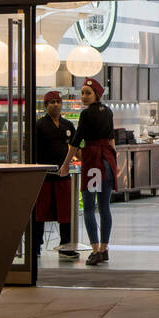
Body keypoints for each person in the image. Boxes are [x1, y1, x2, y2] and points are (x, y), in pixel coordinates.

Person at [58, 76, 117, 266]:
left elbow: (76, 141)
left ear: (97, 94)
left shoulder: (86, 115)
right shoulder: (108, 112)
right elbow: (111, 139)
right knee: (105, 207)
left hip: (93, 162)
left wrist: (66, 164)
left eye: (88, 93)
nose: (83, 96)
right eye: (82, 93)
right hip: (108, 160)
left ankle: (95, 250)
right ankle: (104, 248)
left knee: (90, 208)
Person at [32, 91, 77, 260]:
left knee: (65, 213)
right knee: (40, 213)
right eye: (52, 102)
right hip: (44, 176)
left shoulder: (67, 125)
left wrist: (81, 157)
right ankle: (36, 245)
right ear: (45, 106)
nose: (56, 104)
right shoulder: (39, 125)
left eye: (58, 101)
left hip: (63, 175)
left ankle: (66, 246)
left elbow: (77, 144)